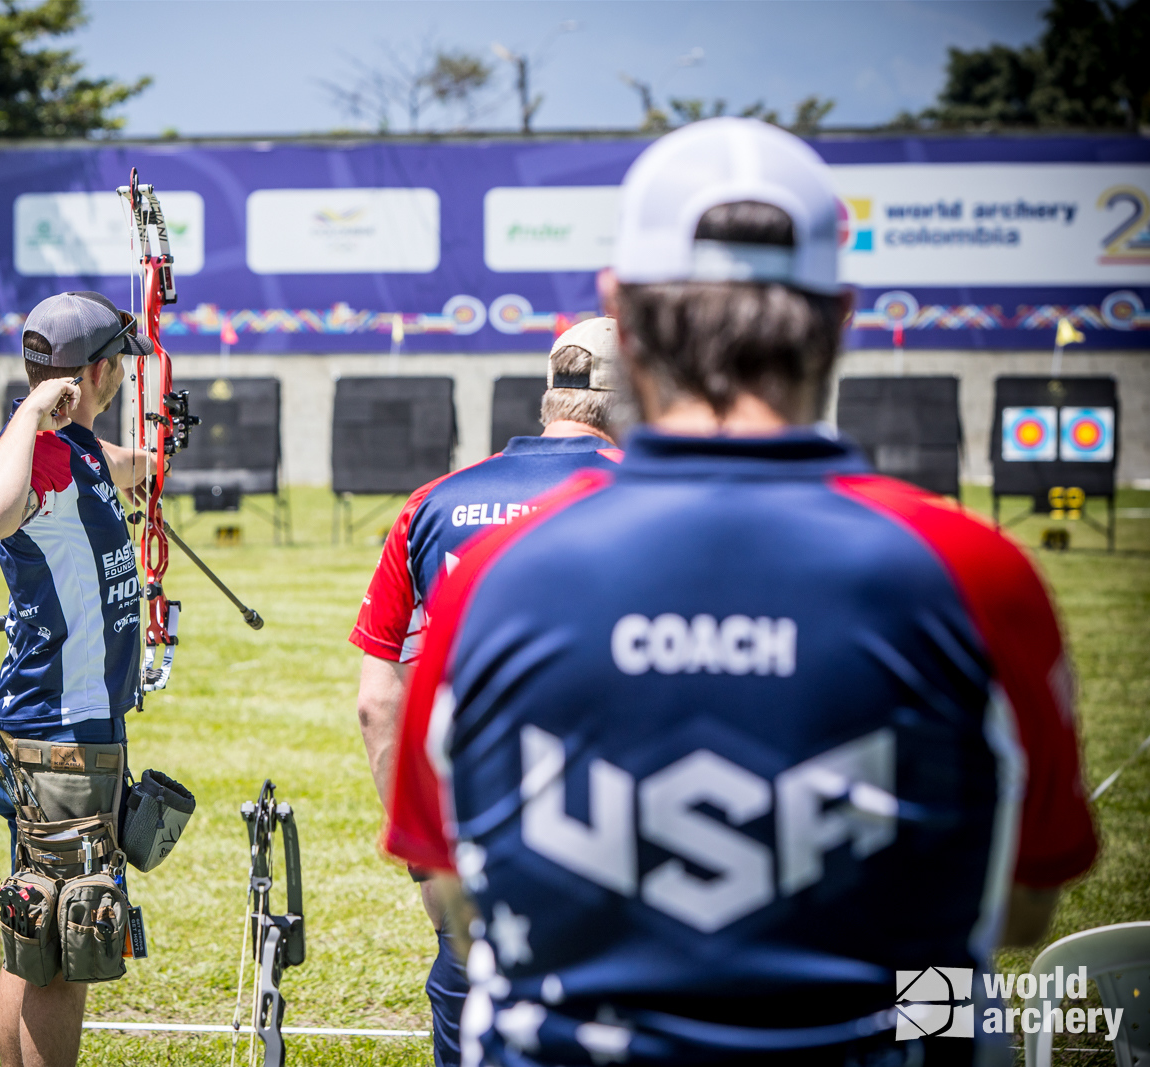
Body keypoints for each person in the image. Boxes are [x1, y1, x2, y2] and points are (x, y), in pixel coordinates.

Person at [383, 118, 1098, 1067]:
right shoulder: (976, 571)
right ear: (842, 313)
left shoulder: (492, 576)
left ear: (619, 310)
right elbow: (1016, 903)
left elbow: (453, 890)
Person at [351, 318, 632, 1067]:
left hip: (475, 857)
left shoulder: (431, 504)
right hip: (616, 859)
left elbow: (379, 702)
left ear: (549, 394)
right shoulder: (652, 502)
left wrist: (422, 851)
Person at [0, 290, 150, 1067]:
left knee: (33, 922)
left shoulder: (70, 452)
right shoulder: (37, 448)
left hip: (59, 726)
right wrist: (36, 408)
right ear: (97, 373)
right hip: (61, 734)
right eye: (120, 371)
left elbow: (117, 464)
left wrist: (149, 459)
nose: (126, 383)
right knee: (70, 938)